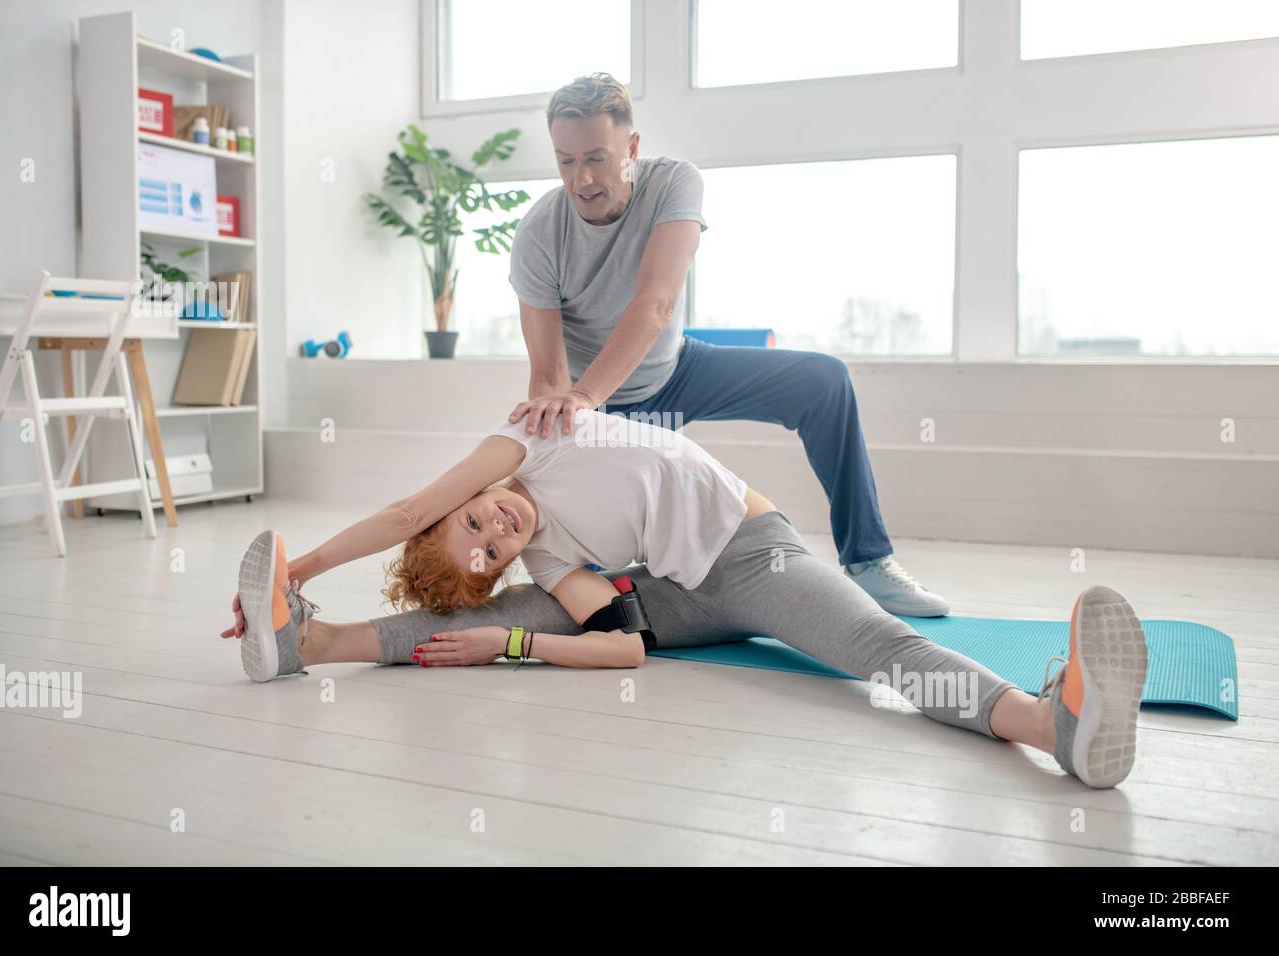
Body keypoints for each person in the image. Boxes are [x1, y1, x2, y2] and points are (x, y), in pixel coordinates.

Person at [223, 408, 1149, 789]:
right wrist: (517, 644)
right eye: (490, 548)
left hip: (754, 559)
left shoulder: (528, 436)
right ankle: (306, 643)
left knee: (878, 646)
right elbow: (625, 648)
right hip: (669, 599)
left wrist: (297, 562)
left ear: (460, 502)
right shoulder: (547, 564)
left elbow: (405, 509)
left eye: (474, 524)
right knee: (491, 625)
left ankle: (1048, 725)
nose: (496, 529)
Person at [502, 72, 947, 616]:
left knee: (823, 382)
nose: (583, 179)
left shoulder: (674, 183)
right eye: (566, 161)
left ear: (632, 148)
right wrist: (576, 414)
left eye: (597, 157)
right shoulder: (540, 233)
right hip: (603, 413)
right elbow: (548, 377)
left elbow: (656, 303)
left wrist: (584, 394)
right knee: (596, 549)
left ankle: (868, 562)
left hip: (672, 371)